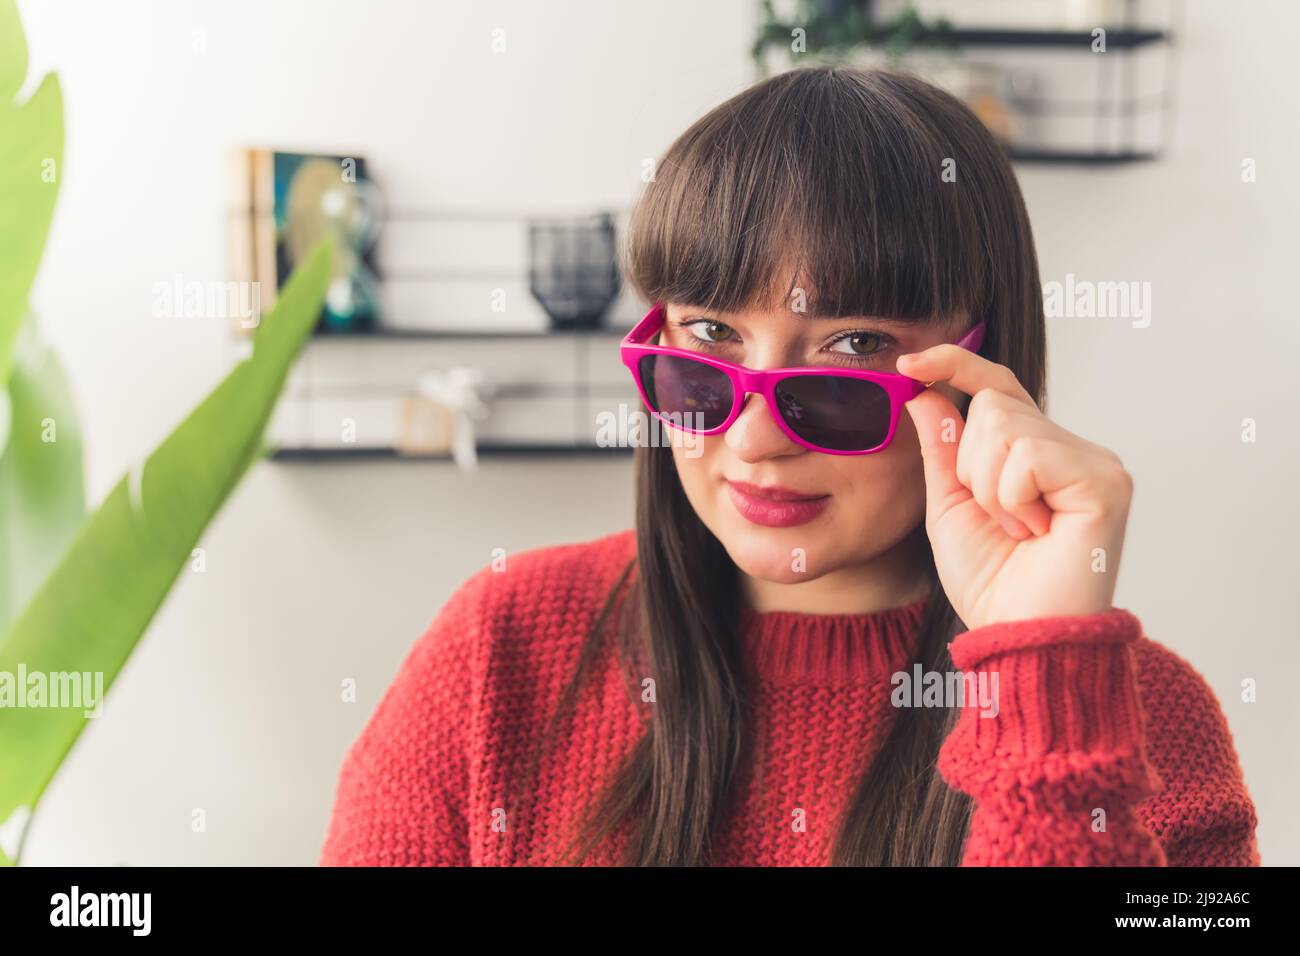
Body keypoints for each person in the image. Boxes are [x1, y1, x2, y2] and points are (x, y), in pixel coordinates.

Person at [319, 66, 1259, 866]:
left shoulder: (1139, 720)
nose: (757, 437)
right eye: (711, 337)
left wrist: (1043, 678)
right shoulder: (502, 649)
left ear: (981, 370)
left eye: (851, 351)